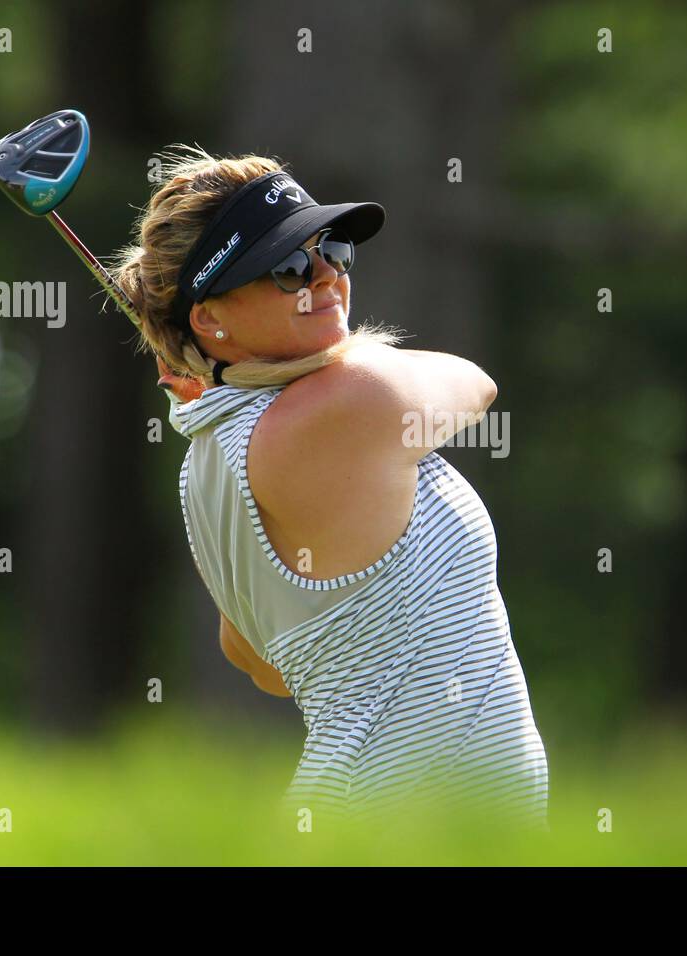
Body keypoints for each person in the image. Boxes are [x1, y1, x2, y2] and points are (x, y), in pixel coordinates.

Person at [111, 148, 549, 830]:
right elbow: (472, 383)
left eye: (332, 250)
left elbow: (261, 662)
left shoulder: (203, 466)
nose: (325, 277)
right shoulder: (349, 399)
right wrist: (328, 364)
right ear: (209, 317)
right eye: (288, 268)